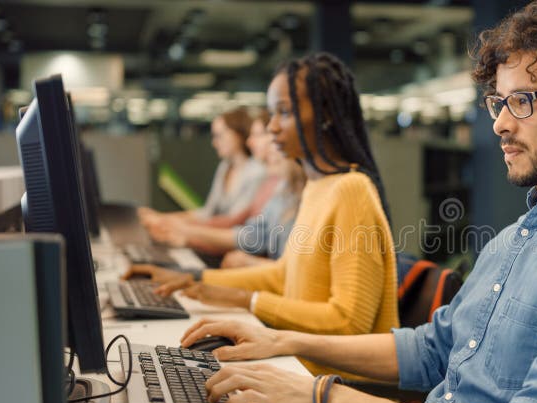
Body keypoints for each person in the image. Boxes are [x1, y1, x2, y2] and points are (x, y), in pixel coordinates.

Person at [178, 2, 537, 403]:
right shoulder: (518, 237)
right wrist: (287, 342)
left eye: (523, 101)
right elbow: (433, 348)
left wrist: (326, 400)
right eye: (499, 102)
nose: (500, 124)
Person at [127, 52, 398, 378]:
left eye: (283, 112)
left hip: (339, 384)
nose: (271, 127)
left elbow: (348, 322)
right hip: (303, 370)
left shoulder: (351, 190)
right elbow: (284, 275)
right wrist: (200, 282)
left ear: (325, 114)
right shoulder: (317, 187)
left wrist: (248, 301)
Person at [148, 120, 304, 261]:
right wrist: (181, 230)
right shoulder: (280, 190)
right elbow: (253, 233)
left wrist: (186, 231)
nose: (252, 142)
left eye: (261, 135)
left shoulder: (263, 176)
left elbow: (235, 223)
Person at [138, 107, 265, 231]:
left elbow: (232, 221)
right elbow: (207, 212)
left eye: (219, 136)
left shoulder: (256, 172)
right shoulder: (225, 167)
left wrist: (167, 223)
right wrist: (162, 218)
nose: (214, 143)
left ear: (237, 134)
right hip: (214, 236)